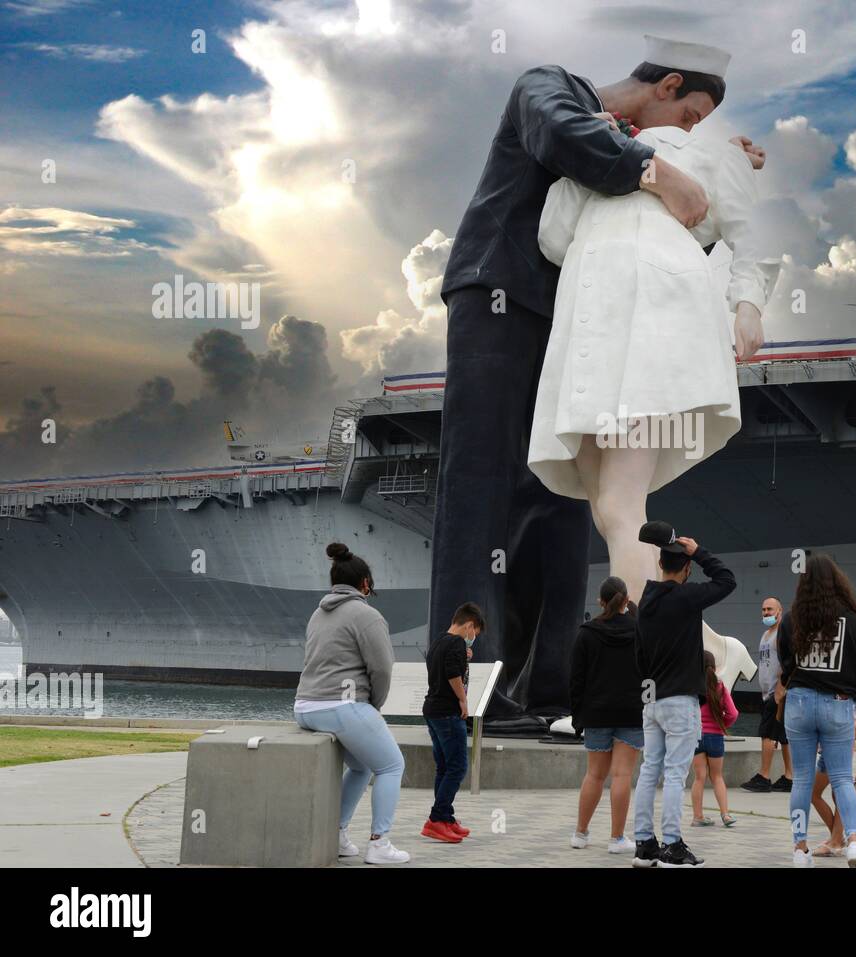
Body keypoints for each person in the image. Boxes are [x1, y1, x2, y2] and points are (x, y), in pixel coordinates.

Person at [432, 35, 736, 717]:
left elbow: (673, 229)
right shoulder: (551, 86)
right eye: (689, 118)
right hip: (499, 298)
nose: (687, 135)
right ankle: (464, 684)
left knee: (563, 504)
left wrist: (716, 186)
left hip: (583, 321)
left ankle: (545, 683)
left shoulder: (632, 156)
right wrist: (660, 171)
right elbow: (565, 136)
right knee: (480, 489)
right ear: (666, 85)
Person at [528, 68, 779, 606]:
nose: (692, 125)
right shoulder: (603, 153)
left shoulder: (715, 154)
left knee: (619, 504)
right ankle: (701, 644)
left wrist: (749, 304)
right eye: (690, 113)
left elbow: (750, 232)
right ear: (666, 88)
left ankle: (643, 640)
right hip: (590, 322)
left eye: (702, 122)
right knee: (607, 504)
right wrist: (589, 157)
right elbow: (553, 239)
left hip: (657, 318)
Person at [294, 543, 408, 865]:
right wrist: (374, 704)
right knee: (392, 765)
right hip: (341, 705)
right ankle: (380, 843)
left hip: (305, 705)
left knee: (362, 766)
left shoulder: (318, 613)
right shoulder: (366, 615)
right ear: (365, 584)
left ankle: (337, 833)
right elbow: (383, 669)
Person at [632, 522, 736, 867]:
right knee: (676, 774)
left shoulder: (644, 602)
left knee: (650, 770)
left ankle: (645, 844)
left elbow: (639, 657)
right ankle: (673, 844)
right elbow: (727, 581)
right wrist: (700, 551)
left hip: (652, 699)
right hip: (680, 700)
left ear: (661, 565)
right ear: (686, 568)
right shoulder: (687, 597)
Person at [776, 553, 856, 868]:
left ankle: (800, 849)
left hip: (799, 701)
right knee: (843, 777)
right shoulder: (854, 619)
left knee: (802, 779)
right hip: (838, 703)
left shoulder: (791, 619)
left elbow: (786, 664)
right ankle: (853, 841)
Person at [569, 576, 643, 854]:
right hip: (631, 712)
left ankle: (580, 833)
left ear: (600, 601)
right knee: (622, 776)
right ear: (626, 600)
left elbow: (576, 679)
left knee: (594, 775)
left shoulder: (587, 633)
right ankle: (616, 839)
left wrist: (578, 717)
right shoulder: (640, 631)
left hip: (596, 712)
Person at [420, 603, 484, 845]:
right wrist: (463, 700)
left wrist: (463, 658)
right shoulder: (457, 643)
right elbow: (452, 674)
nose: (473, 638)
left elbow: (443, 667)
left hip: (432, 709)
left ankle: (445, 817)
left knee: (444, 767)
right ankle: (436, 819)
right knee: (457, 767)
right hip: (448, 712)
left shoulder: (439, 641)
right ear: (468, 625)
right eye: (474, 632)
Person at [741, 597, 794, 793]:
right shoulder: (765, 634)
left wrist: (781, 687)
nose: (766, 613)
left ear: (780, 611)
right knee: (784, 736)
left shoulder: (781, 634)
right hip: (767, 692)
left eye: (770, 609)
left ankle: (763, 776)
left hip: (777, 692)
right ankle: (789, 777)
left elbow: (787, 661)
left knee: (766, 733)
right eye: (763, 609)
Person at [690, 650, 739, 827]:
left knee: (699, 777)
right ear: (715, 666)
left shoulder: (692, 687)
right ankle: (725, 815)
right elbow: (733, 713)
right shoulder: (719, 686)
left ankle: (697, 816)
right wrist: (722, 723)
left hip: (696, 737)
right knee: (717, 776)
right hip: (716, 737)